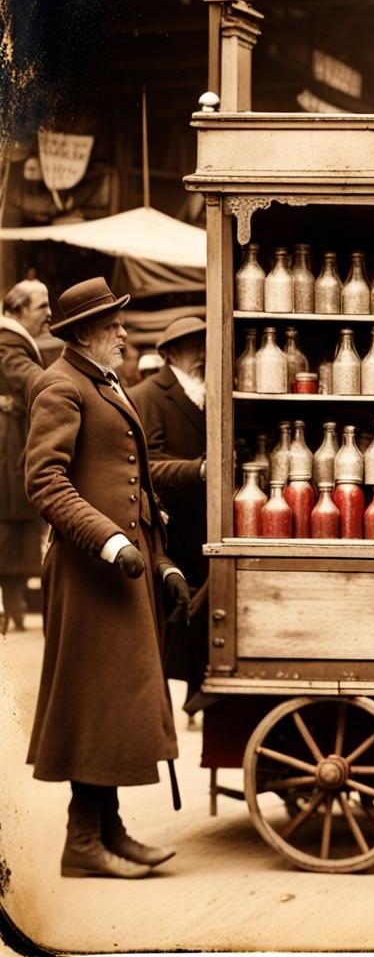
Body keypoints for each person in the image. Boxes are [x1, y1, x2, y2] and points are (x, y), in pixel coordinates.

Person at [24, 277, 190, 879]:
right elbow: (45, 483)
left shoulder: (102, 382)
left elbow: (135, 487)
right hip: (89, 573)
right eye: (114, 324)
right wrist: (110, 541)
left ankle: (107, 831)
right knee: (93, 706)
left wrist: (164, 561)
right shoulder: (59, 387)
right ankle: (83, 840)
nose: (124, 331)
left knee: (114, 708)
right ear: (84, 332)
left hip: (126, 570)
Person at [129, 316, 208, 707]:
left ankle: (197, 691)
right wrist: (198, 469)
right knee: (168, 620)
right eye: (194, 345)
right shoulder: (147, 395)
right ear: (169, 353)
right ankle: (154, 705)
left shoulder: (212, 390)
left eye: (205, 343)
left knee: (203, 615)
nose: (204, 353)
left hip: (206, 525)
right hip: (172, 529)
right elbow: (147, 468)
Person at [0, 280, 50, 633]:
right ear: (17, 311)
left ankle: (13, 610)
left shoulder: (13, 341)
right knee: (9, 529)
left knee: (15, 530)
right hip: (7, 449)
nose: (49, 314)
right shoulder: (9, 344)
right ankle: (9, 611)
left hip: (12, 445)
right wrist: (60, 384)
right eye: (41, 306)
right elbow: (31, 378)